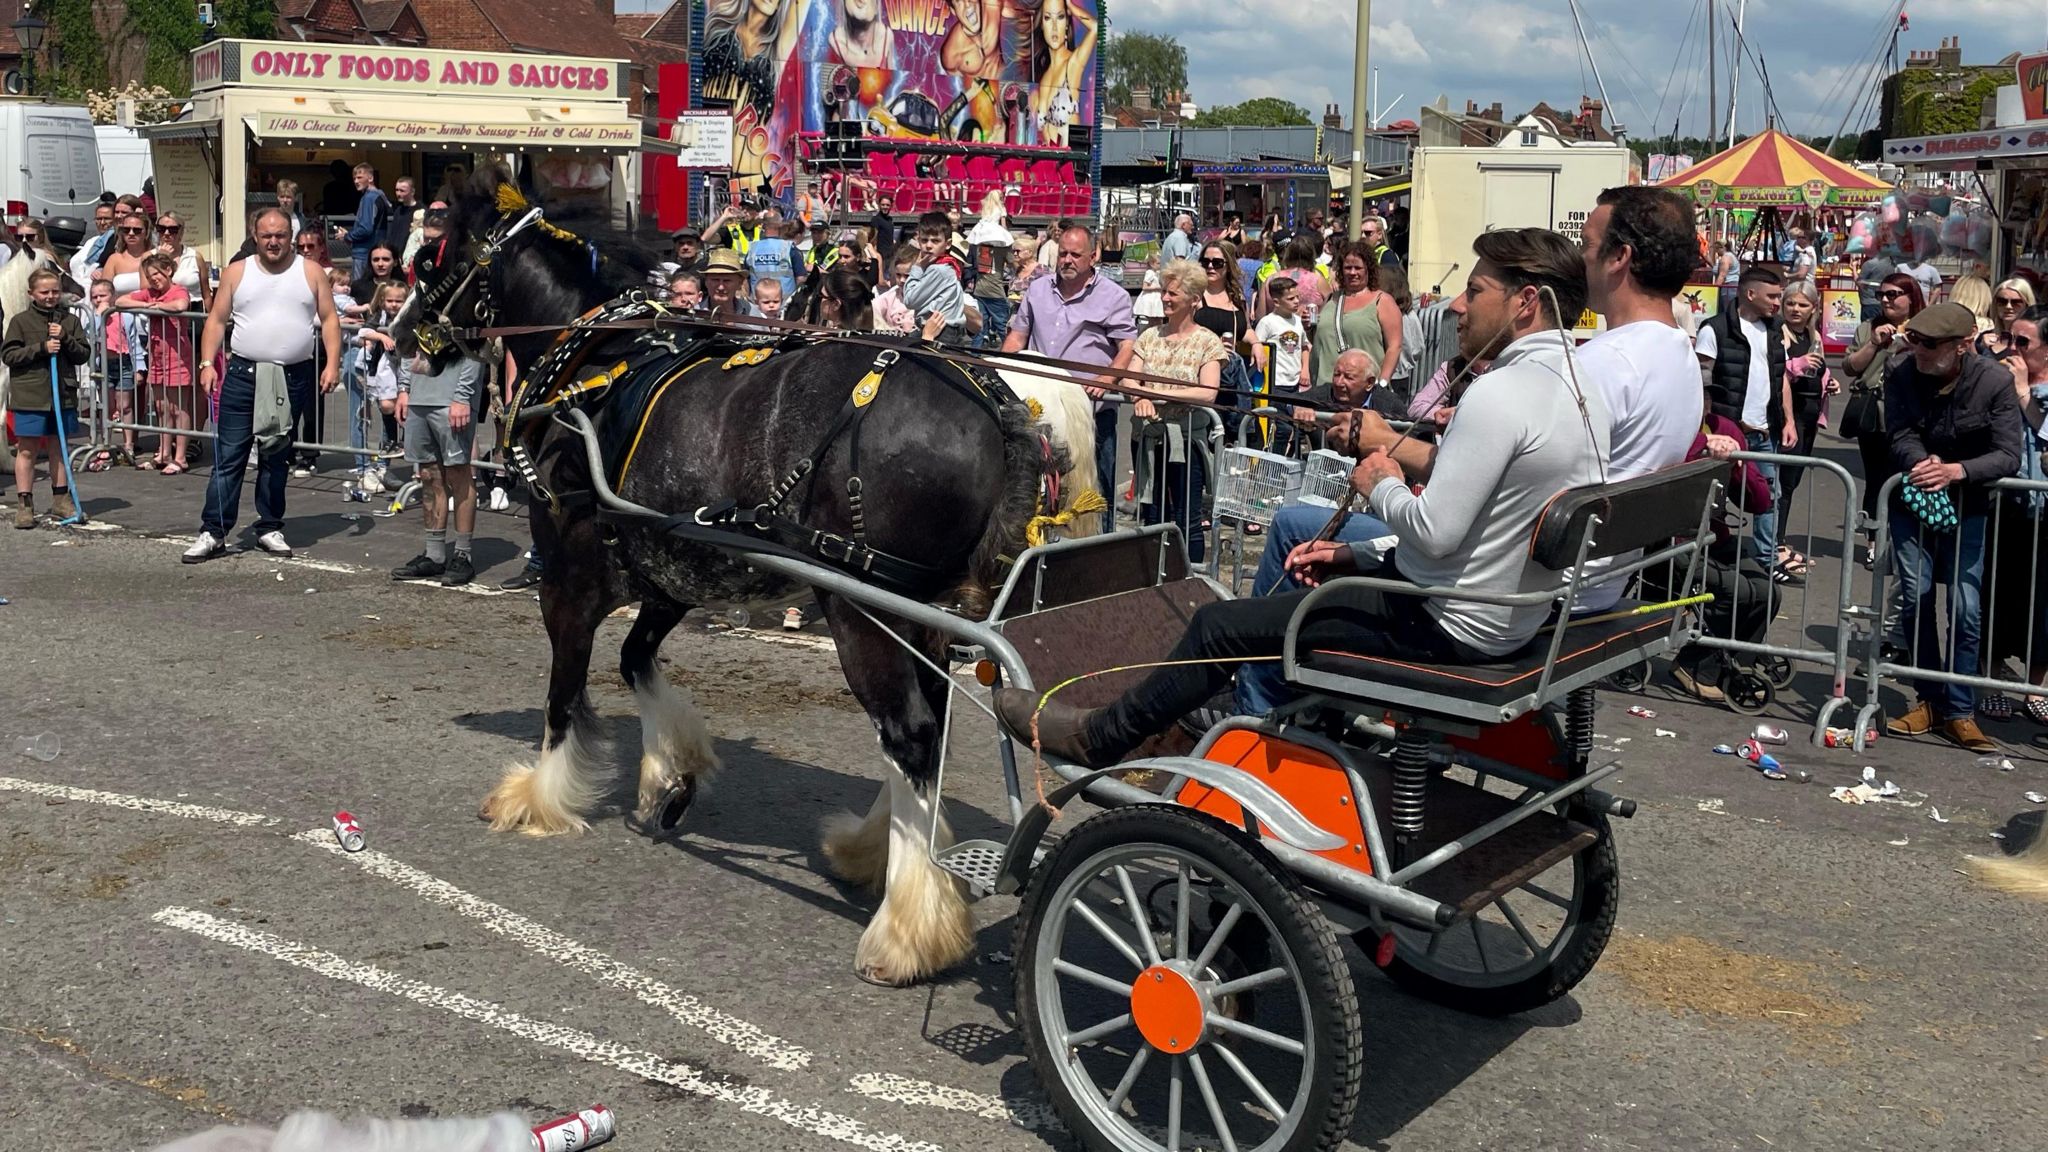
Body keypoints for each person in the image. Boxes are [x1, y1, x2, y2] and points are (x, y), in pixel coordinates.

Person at [995, 228, 1611, 764]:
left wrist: (1381, 483)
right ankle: (1269, 712)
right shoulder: (1584, 387)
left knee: (1217, 625)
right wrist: (1354, 555)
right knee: (1289, 580)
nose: (1457, 306)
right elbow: (1486, 533)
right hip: (1503, 618)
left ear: (1526, 302)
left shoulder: (1500, 394)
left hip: (1443, 623)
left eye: (1475, 291)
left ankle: (1102, 737)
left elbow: (1438, 532)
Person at [1880, 301, 2020, 752]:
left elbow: (2008, 454)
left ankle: (1960, 710)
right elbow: (1899, 432)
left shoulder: (1994, 381)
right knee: (1916, 597)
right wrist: (1922, 463)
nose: (1918, 350)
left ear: (1962, 345)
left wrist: (1957, 471)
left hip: (1969, 504)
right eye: (1914, 340)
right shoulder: (1901, 371)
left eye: (1930, 344)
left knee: (1965, 606)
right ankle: (1930, 701)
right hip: (1913, 502)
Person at [1574, 185, 1707, 617]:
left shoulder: (1605, 363)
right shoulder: (1680, 355)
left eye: (1586, 245)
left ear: (1619, 257)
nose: (1580, 258)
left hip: (1537, 597)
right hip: (1599, 585)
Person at [182, 207, 342, 563]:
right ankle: (214, 531)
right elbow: (216, 320)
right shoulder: (238, 271)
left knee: (275, 456)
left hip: (292, 376)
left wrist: (333, 363)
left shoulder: (310, 271)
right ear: (255, 236)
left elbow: (330, 319)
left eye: (280, 235)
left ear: (291, 237)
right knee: (229, 456)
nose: (273, 241)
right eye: (267, 235)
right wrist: (207, 363)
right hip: (243, 374)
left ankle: (269, 527)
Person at [1001, 223, 1137, 532]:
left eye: (1076, 254)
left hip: (1090, 412)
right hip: (1038, 413)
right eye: (1063, 253)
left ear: (1093, 256)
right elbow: (1017, 337)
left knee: (1096, 492)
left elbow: (1127, 347)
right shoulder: (1038, 289)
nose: (1067, 260)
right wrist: (1000, 369)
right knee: (1038, 492)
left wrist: (1107, 379)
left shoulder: (1113, 296)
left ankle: (1100, 546)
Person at [1128, 258, 1226, 563]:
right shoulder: (1149, 336)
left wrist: (1155, 395)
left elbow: (1207, 392)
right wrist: (1139, 397)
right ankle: (1150, 574)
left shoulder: (1207, 342)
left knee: (1187, 518)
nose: (1165, 298)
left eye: (1173, 293)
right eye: (1164, 292)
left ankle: (1189, 575)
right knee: (1151, 514)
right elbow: (1129, 377)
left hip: (1187, 440)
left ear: (1194, 300)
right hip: (1148, 437)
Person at [1695, 265, 1792, 572]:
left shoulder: (1775, 329)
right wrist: (1704, 425)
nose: (1777, 303)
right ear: (1750, 294)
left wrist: (1788, 420)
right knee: (1716, 498)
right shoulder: (1714, 329)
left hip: (1766, 432)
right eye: (1772, 296)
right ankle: (1713, 559)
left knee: (1770, 496)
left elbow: (1781, 378)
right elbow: (1701, 380)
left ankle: (1767, 562)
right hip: (1726, 433)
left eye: (1779, 296)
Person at [389, 349, 486, 587]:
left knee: (459, 473)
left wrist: (462, 396)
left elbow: (474, 348)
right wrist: (404, 389)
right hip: (419, 399)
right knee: (429, 475)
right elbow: (409, 345)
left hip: (452, 398)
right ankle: (434, 555)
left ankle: (462, 555)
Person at [5, 269, 91, 528]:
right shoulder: (20, 321)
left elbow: (83, 354)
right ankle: (25, 504)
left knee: (59, 447)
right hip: (31, 395)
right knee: (27, 449)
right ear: (31, 293)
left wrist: (65, 338)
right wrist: (40, 348)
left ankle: (61, 500)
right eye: (44, 292)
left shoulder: (69, 321)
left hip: (61, 395)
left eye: (55, 291)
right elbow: (9, 355)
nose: (51, 296)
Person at [1844, 273, 1925, 541]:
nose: (1885, 300)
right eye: (1881, 295)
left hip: (1913, 414)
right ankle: (1873, 541)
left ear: (1911, 297)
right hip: (1874, 413)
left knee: (1908, 477)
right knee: (1876, 479)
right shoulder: (1868, 328)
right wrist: (1874, 343)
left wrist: (1914, 344)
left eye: (1893, 295)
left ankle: (1904, 539)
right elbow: (1850, 367)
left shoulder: (1925, 328)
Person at [114, 253, 198, 475]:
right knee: (161, 407)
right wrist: (148, 304)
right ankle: (164, 452)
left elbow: (180, 305)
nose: (153, 280)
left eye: (156, 275)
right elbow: (120, 301)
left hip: (177, 355)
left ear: (168, 271)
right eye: (149, 276)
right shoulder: (150, 293)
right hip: (157, 355)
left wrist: (156, 307)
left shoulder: (178, 290)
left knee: (178, 408)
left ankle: (180, 457)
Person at [1775, 282, 1836, 537]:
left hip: (1811, 415)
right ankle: (1775, 542)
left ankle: (1778, 539)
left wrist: (1829, 383)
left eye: (1802, 304)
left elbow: (1821, 371)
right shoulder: (1778, 334)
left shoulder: (1814, 336)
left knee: (1793, 482)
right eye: (1790, 303)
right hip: (1791, 415)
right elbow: (1776, 372)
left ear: (1813, 308)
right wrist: (1797, 365)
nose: (1795, 309)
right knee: (1784, 482)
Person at [1309, 241, 1403, 393]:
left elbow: (1395, 346)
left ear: (1368, 270)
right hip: (1325, 389)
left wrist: (1382, 383)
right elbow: (1320, 341)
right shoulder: (1330, 300)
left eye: (1358, 268)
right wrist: (1308, 328)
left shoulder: (1382, 301)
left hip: (1364, 392)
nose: (1352, 272)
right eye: (1348, 268)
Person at [900, 211, 968, 344]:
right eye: (924, 240)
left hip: (941, 332)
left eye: (935, 241)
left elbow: (909, 300)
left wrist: (917, 267)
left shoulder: (938, 270)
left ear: (948, 244)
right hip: (942, 330)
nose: (929, 246)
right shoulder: (944, 266)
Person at [1253, 276, 1309, 398]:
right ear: (1276, 302)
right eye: (1291, 298)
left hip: (1295, 383)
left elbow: (1304, 347)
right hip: (1275, 382)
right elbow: (1257, 349)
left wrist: (1305, 369)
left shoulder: (1299, 321)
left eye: (1297, 297)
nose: (1296, 301)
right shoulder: (1267, 322)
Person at [333, 164, 391, 280]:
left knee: (360, 287)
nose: (356, 181)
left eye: (359, 177)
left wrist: (347, 236)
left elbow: (366, 229)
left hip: (363, 253)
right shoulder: (379, 196)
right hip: (376, 250)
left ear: (370, 178)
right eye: (354, 178)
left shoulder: (369, 198)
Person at [1978, 278, 2035, 358]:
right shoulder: (1984, 337)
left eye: (2016, 302)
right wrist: (1981, 348)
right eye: (2002, 301)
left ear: (2027, 305)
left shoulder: (2034, 341)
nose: (2008, 306)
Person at [745, 214, 797, 300]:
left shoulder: (752, 248)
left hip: (758, 303)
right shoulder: (788, 247)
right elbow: (801, 278)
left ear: (763, 227)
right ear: (780, 226)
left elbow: (745, 278)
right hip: (785, 303)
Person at [699, 248, 758, 320]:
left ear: (739, 283)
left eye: (727, 281)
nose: (721, 287)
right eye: (715, 280)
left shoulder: (753, 313)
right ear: (706, 282)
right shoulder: (694, 314)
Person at [813, 264, 875, 330]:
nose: (819, 299)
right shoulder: (872, 332)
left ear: (836, 304)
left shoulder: (826, 336)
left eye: (821, 295)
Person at [384, 176, 419, 254]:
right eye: (397, 190)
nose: (398, 194)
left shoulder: (419, 211)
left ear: (412, 191)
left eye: (402, 191)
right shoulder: (398, 210)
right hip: (395, 253)